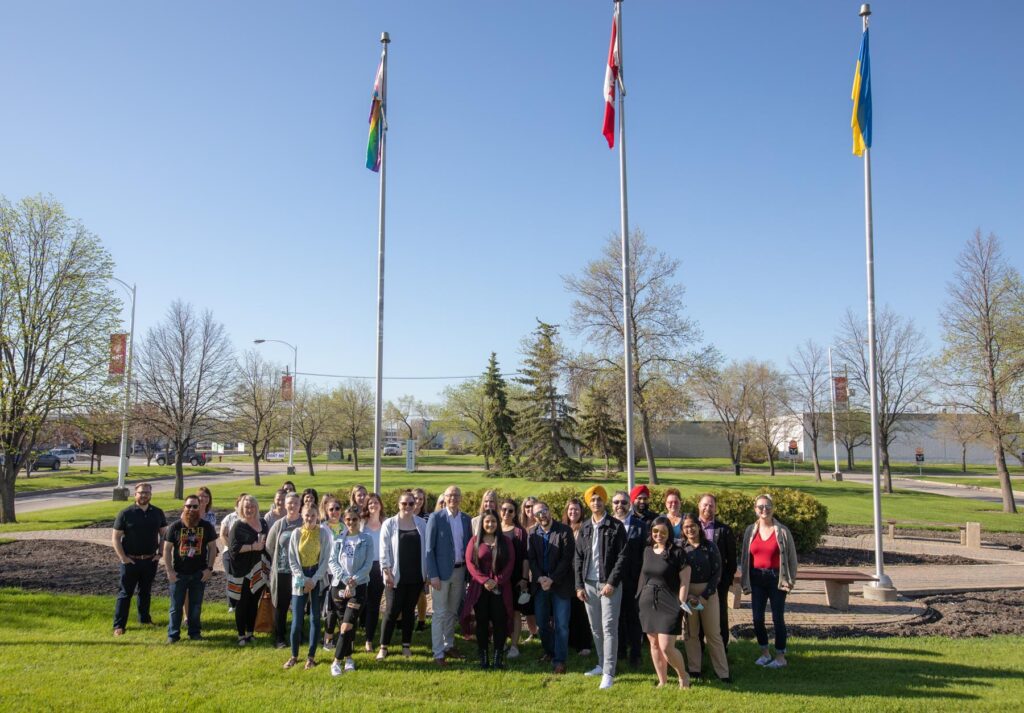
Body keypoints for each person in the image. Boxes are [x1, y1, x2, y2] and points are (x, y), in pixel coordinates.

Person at [573, 485, 627, 690]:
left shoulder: (615, 527)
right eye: (592, 499)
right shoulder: (585, 527)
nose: (596, 502)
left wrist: (612, 582)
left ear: (605, 502)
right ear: (589, 503)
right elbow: (578, 558)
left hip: (609, 584)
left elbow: (623, 557)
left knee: (609, 628)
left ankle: (609, 672)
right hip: (589, 585)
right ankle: (602, 663)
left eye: (599, 499)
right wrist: (579, 585)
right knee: (596, 628)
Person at [740, 494, 798, 670]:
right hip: (757, 579)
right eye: (760, 507)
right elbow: (745, 557)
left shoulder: (782, 531)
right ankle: (765, 652)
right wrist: (745, 580)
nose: (764, 510)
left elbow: (792, 559)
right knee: (757, 618)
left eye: (767, 506)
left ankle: (780, 656)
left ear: (773, 508)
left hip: (776, 579)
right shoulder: (750, 531)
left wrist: (790, 581)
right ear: (755, 509)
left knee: (777, 618)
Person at [637, 516, 691, 689]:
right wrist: (639, 598)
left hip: (670, 603)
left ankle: (683, 677)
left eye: (663, 532)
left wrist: (681, 604)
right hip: (648, 602)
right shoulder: (646, 551)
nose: (658, 535)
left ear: (668, 532)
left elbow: (684, 581)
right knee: (653, 644)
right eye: (655, 531)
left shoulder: (678, 552)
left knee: (667, 646)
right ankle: (663, 681)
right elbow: (643, 577)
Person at [112, 482, 167, 636]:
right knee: (125, 593)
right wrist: (123, 557)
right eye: (141, 492)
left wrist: (159, 553)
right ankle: (119, 625)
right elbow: (115, 538)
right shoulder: (126, 513)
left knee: (145, 592)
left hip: (150, 560)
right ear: (135, 494)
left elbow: (164, 534)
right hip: (130, 561)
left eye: (147, 492)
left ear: (151, 494)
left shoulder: (157, 512)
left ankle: (144, 619)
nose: (144, 495)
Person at [462, 509, 514, 670]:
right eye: (487, 522)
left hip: (501, 588)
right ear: (482, 524)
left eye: (493, 521)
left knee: (500, 622)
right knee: (482, 622)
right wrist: (485, 580)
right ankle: (483, 655)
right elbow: (470, 563)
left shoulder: (505, 541)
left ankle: (498, 656)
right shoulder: (475, 541)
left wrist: (497, 581)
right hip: (480, 589)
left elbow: (510, 563)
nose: (490, 524)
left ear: (497, 523)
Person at [425, 485, 472, 665]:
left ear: (460, 498)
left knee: (452, 612)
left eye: (456, 495)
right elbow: (429, 550)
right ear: (444, 498)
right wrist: (433, 575)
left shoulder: (466, 519)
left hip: (460, 572)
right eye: (450, 495)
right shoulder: (436, 518)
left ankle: (449, 644)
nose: (453, 498)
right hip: (441, 574)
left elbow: (468, 548)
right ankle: (438, 653)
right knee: (439, 613)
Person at [378, 491, 427, 660]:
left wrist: (426, 574)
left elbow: (426, 550)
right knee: (391, 611)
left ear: (416, 506)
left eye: (411, 504)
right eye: (404, 504)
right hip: (395, 576)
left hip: (416, 576)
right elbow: (383, 549)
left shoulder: (422, 524)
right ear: (398, 505)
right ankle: (383, 647)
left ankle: (406, 645)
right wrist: (386, 571)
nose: (407, 507)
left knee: (408, 611)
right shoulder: (389, 524)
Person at [681, 513, 730, 682]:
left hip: (708, 595)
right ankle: (695, 669)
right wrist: (685, 596)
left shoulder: (710, 547)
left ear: (698, 526)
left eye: (692, 525)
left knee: (713, 634)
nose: (690, 529)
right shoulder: (680, 548)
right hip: (687, 594)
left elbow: (717, 573)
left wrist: (703, 597)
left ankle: (723, 672)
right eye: (686, 527)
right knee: (690, 633)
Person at [283, 503, 332, 670]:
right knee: (297, 620)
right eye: (306, 515)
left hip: (317, 577)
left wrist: (314, 580)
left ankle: (311, 656)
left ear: (317, 516)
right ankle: (294, 655)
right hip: (300, 578)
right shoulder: (296, 533)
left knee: (315, 618)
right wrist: (304, 580)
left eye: (312, 515)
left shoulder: (323, 533)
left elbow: (325, 560)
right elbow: (292, 560)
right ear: (301, 515)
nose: (309, 518)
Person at [528, 499, 575, 674]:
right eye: (538, 513)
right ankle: (549, 651)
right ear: (534, 517)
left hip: (560, 585)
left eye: (544, 511)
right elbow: (531, 559)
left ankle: (559, 660)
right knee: (541, 622)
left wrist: (552, 579)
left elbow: (566, 558)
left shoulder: (564, 531)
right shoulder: (532, 534)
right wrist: (540, 578)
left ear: (550, 511)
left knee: (562, 624)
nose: (542, 515)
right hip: (541, 586)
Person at [163, 495, 217, 643]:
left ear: (200, 507)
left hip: (199, 574)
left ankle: (194, 633)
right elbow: (166, 550)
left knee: (195, 606)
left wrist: (209, 568)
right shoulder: (175, 527)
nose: (191, 509)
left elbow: (213, 548)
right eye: (188, 506)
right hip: (179, 574)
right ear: (184, 507)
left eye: (195, 506)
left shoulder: (206, 527)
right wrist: (170, 571)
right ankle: (173, 635)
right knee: (175, 607)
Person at [329, 507, 374, 676]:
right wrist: (345, 579)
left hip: (359, 585)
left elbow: (368, 564)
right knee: (344, 626)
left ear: (359, 520)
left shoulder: (367, 539)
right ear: (344, 521)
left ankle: (336, 662)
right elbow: (333, 561)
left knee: (347, 624)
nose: (351, 523)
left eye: (354, 519)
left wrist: (353, 580)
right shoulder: (338, 539)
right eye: (348, 520)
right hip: (339, 586)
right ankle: (349, 658)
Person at [697, 493, 737, 652]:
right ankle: (698, 651)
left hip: (718, 584)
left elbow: (732, 559)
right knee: (698, 617)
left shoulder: (724, 530)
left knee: (720, 617)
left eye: (711, 505)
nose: (708, 508)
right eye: (705, 504)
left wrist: (726, 579)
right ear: (699, 506)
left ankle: (721, 650)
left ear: (716, 508)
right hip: (697, 583)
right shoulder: (691, 527)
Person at [227, 494, 269, 646]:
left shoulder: (263, 523)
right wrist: (253, 547)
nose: (249, 509)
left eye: (252, 507)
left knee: (253, 603)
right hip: (243, 571)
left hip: (259, 570)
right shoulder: (238, 526)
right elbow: (233, 549)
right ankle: (241, 635)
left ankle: (251, 632)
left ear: (256, 507)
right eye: (246, 507)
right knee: (242, 604)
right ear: (241, 509)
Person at [611, 489, 646, 668]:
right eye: (616, 502)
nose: (620, 506)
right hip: (612, 581)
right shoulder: (607, 525)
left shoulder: (640, 526)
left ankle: (636, 653)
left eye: (624, 502)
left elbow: (644, 555)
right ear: (612, 505)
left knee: (633, 618)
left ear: (629, 504)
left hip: (634, 580)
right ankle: (619, 650)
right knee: (616, 617)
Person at [266, 493, 303, 649]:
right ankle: (280, 637)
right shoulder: (279, 525)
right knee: (281, 607)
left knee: (298, 605)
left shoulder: (305, 522)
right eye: (289, 503)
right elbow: (269, 546)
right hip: (282, 572)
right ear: (285, 505)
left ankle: (298, 634)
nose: (292, 506)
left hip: (300, 573)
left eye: (295, 503)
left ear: (299, 505)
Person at [498, 497, 529, 658]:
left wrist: (524, 579)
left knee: (516, 612)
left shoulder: (519, 531)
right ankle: (502, 642)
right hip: (498, 578)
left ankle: (514, 646)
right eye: (504, 509)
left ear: (515, 513)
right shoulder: (494, 528)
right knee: (500, 612)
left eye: (510, 510)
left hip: (516, 578)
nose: (506, 513)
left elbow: (525, 557)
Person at [562, 497, 593, 657]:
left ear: (581, 512)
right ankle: (572, 641)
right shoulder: (563, 528)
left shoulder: (586, 528)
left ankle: (585, 643)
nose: (573, 512)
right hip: (565, 576)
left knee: (582, 610)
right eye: (570, 509)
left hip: (581, 574)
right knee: (570, 610)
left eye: (576, 509)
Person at [320, 495, 347, 650]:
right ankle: (327, 639)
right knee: (330, 607)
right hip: (327, 573)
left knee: (341, 607)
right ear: (326, 511)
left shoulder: (346, 527)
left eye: (337, 508)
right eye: (331, 509)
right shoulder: (322, 528)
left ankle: (343, 638)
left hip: (343, 573)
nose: (335, 512)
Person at [360, 492, 386, 653]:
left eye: (376, 503)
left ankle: (369, 639)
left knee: (373, 605)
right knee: (360, 603)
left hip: (379, 569)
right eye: (370, 503)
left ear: (380, 505)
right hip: (363, 568)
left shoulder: (386, 523)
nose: (373, 506)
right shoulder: (361, 524)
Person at [219, 492, 248, 612]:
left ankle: (243, 603)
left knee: (245, 579)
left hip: (246, 552)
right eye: (241, 503)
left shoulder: (250, 518)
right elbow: (222, 535)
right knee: (231, 576)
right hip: (229, 553)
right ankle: (232, 604)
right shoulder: (230, 518)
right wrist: (232, 549)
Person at [411, 487, 431, 631]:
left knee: (421, 592)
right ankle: (403, 620)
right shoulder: (404, 515)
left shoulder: (427, 518)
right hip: (406, 559)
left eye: (421, 499)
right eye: (415, 498)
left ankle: (422, 621)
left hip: (422, 560)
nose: (418, 501)